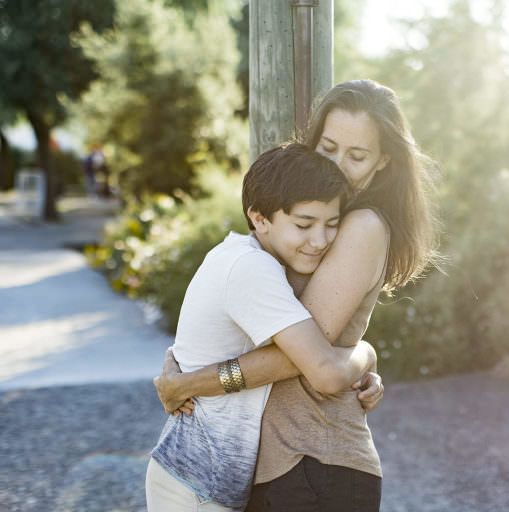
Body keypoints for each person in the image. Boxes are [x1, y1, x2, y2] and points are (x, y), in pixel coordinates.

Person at [154, 79, 439, 511]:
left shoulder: (360, 225)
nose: (340, 166)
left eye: (357, 156)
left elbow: (309, 357)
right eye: (328, 147)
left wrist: (192, 383)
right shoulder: (314, 216)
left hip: (316, 457)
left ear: (383, 162)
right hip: (286, 463)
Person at [145, 143, 379, 511]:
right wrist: (365, 352)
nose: (319, 241)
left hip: (208, 482)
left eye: (332, 225)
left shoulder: (240, 258)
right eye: (304, 224)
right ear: (259, 218)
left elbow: (285, 359)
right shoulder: (251, 269)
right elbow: (325, 373)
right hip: (194, 485)